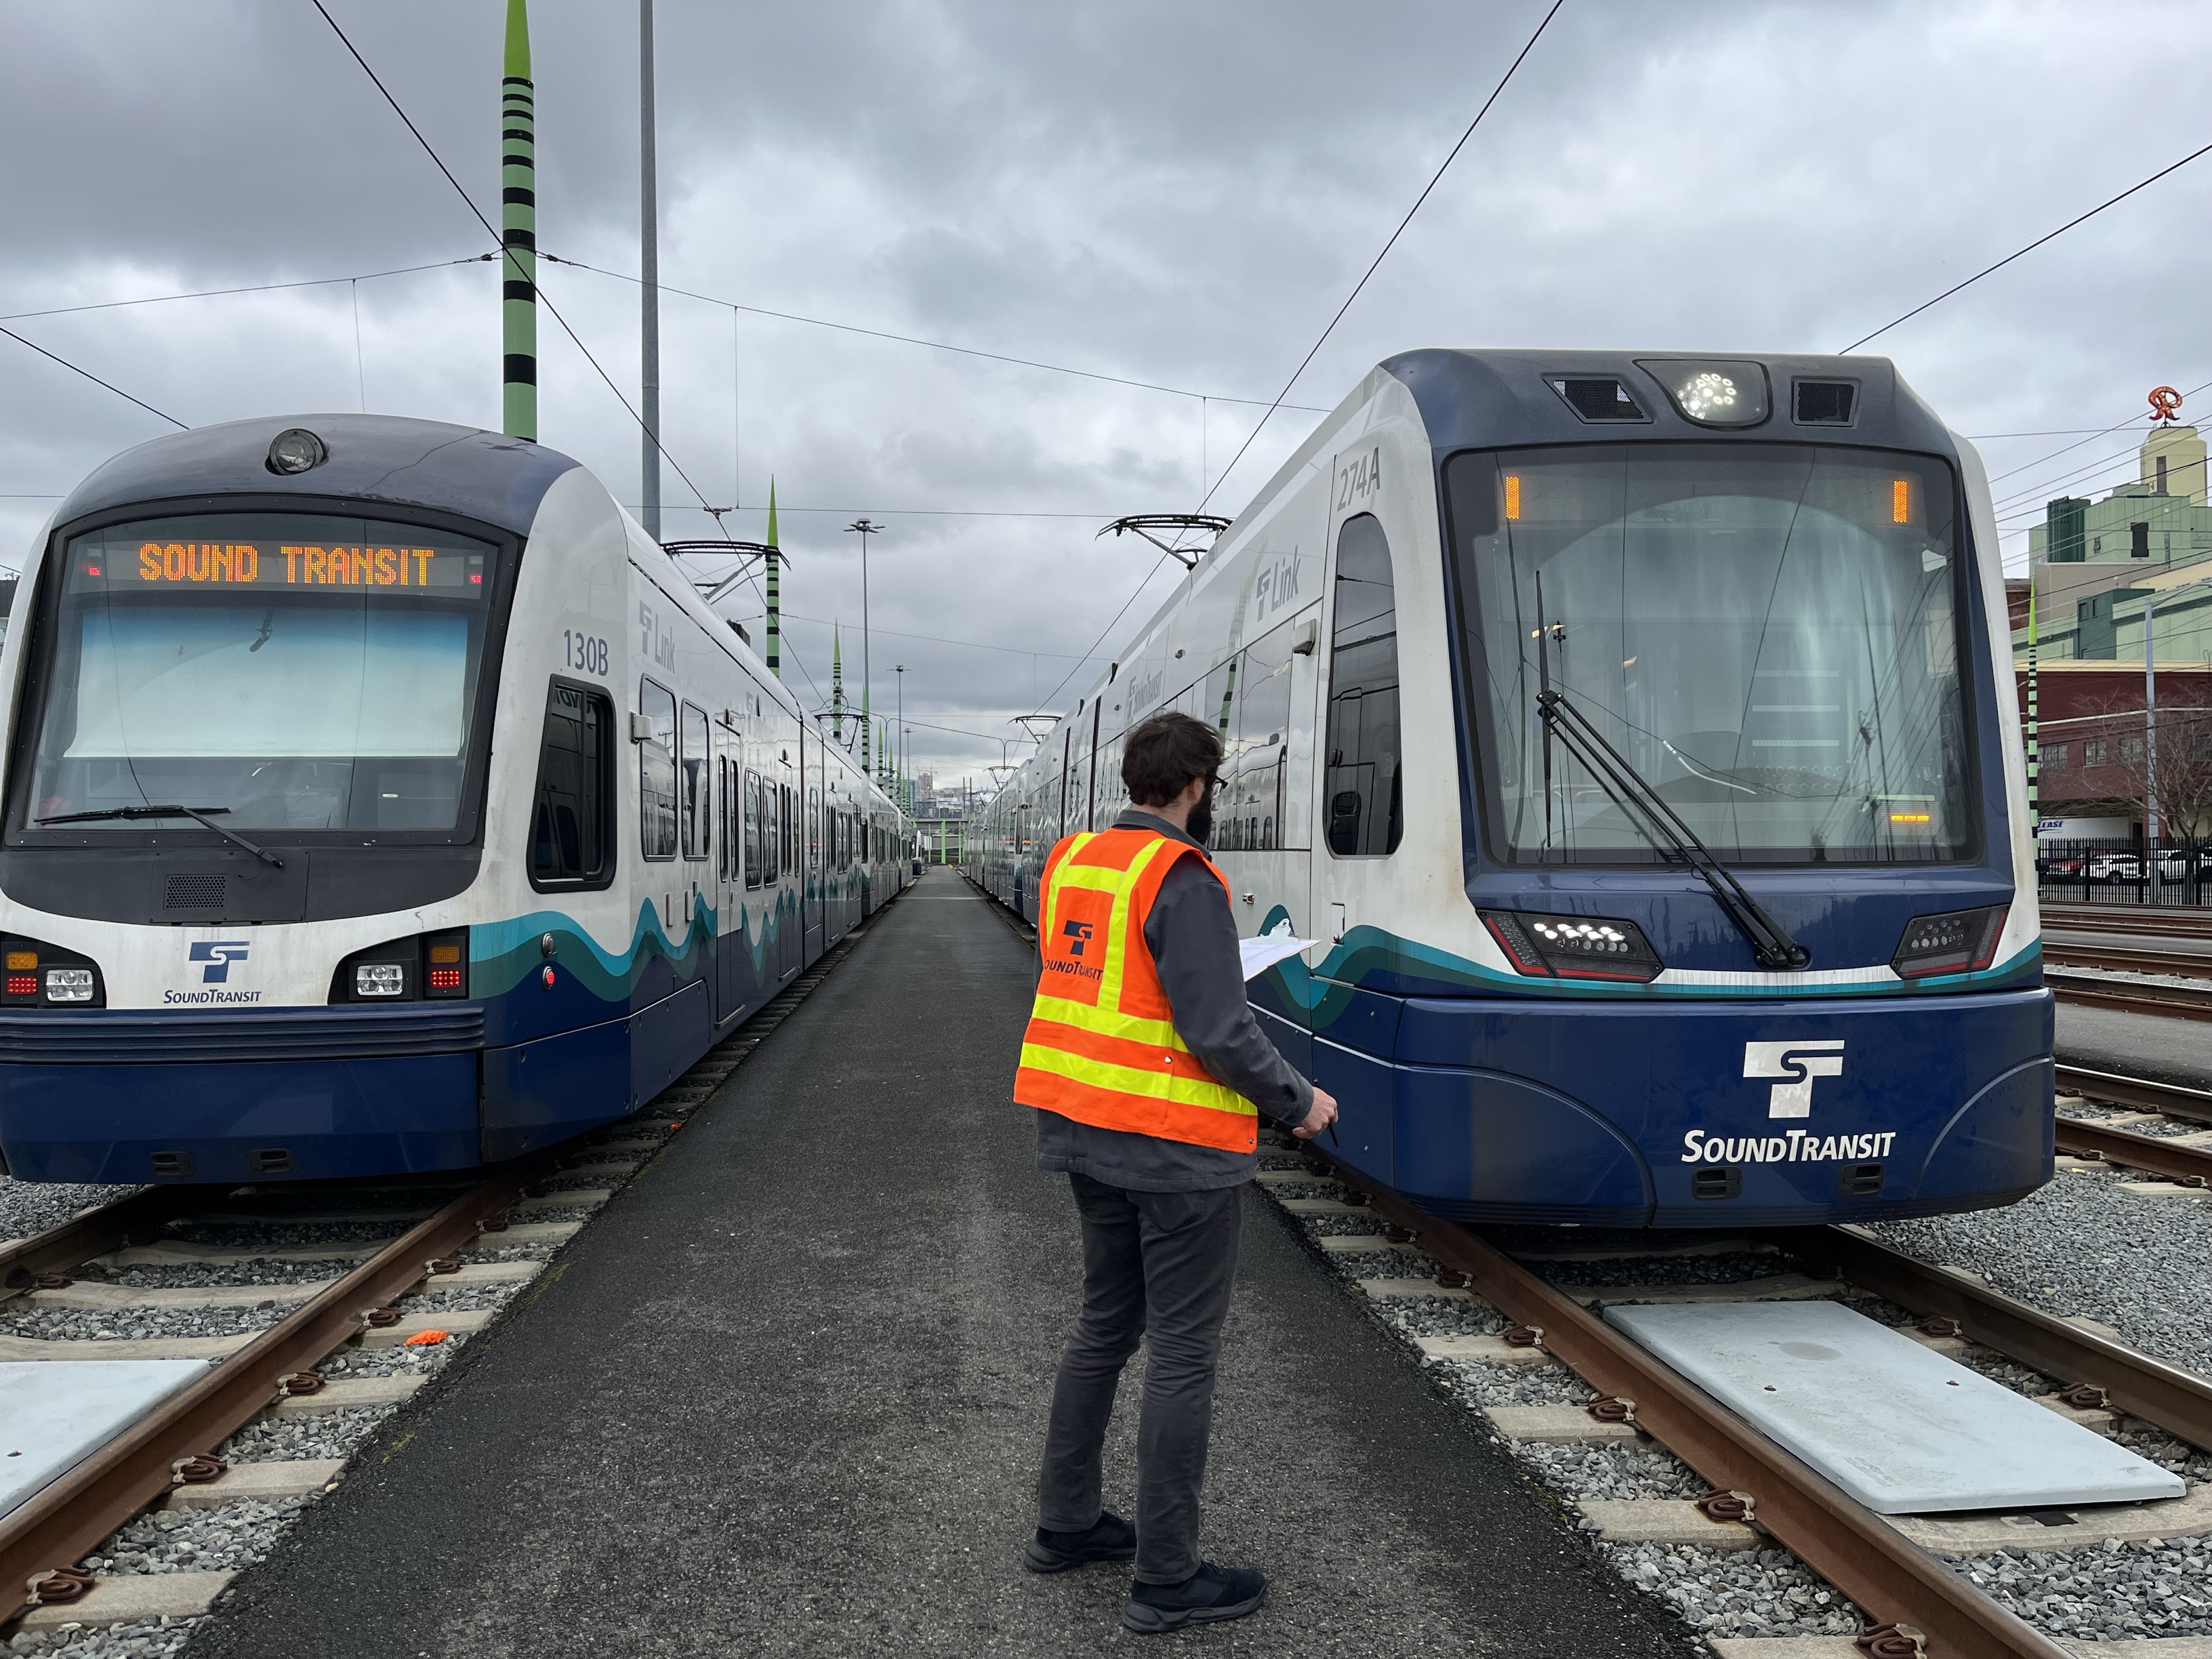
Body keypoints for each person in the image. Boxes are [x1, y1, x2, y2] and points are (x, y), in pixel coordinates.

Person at [1014, 710, 1340, 1635]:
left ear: (1133, 779)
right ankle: (1166, 1576)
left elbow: (1107, 985)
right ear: (1197, 788)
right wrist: (1299, 1101)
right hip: (1175, 1149)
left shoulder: (1074, 861)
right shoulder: (1183, 878)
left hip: (1084, 1127)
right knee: (1184, 1351)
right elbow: (1218, 1030)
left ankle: (1066, 1524)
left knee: (1103, 1328)